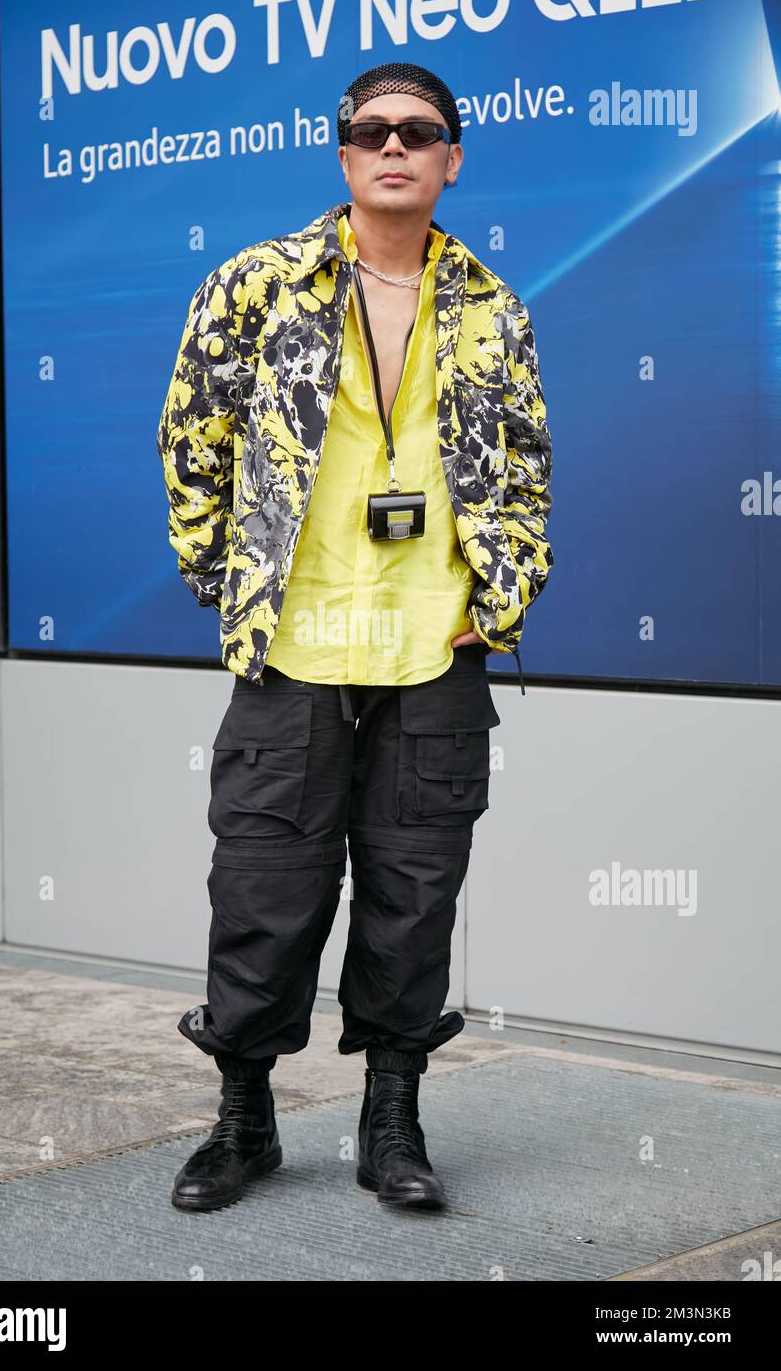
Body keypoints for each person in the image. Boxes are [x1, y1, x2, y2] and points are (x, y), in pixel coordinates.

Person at [157, 62, 554, 1214]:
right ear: (342, 156)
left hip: (434, 657)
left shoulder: (490, 304)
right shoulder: (257, 285)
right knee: (262, 900)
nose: (393, 146)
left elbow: (525, 465)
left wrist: (504, 588)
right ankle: (244, 1122)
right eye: (370, 130)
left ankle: (392, 1124)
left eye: (416, 131)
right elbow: (193, 437)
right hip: (292, 653)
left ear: (449, 158)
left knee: (411, 903)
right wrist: (227, 582)